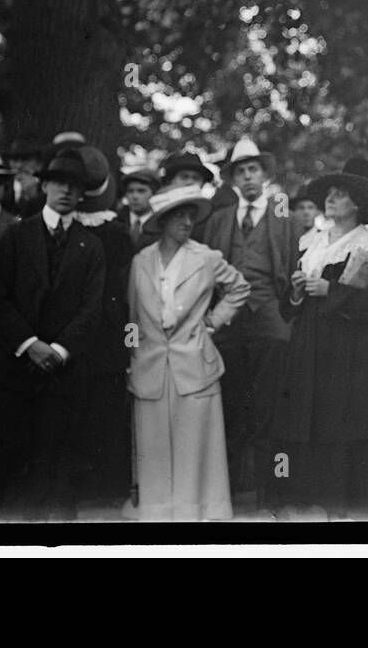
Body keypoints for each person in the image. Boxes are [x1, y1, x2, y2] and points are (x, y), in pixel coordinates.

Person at [0, 150, 105, 520]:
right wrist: (31, 345)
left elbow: (91, 309)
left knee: (53, 473)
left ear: (83, 194)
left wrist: (59, 350)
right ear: (45, 185)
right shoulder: (15, 235)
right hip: (10, 367)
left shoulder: (91, 245)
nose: (66, 190)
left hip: (61, 374)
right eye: (59, 182)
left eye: (75, 185)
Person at [275, 158, 368, 516]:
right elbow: (288, 302)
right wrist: (299, 291)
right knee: (307, 414)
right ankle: (309, 500)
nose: (331, 200)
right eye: (329, 195)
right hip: (307, 343)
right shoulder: (310, 243)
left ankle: (341, 503)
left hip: (344, 349)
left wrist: (328, 289)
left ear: (357, 205)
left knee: (336, 418)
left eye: (341, 195)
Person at [127, 184, 250, 521]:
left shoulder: (206, 257)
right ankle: (156, 515)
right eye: (178, 215)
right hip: (150, 365)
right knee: (153, 446)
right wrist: (133, 353)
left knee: (195, 444)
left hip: (195, 360)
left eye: (190, 215)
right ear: (162, 221)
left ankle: (197, 514)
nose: (186, 221)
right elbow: (133, 317)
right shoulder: (141, 261)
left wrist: (213, 321)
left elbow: (240, 287)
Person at [195, 136, 301, 507]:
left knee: (268, 409)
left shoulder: (283, 214)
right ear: (233, 179)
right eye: (240, 172)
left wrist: (283, 308)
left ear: (264, 174)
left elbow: (290, 264)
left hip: (269, 318)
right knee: (230, 406)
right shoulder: (219, 219)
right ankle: (228, 495)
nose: (248, 177)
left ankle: (268, 497)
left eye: (253, 169)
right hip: (227, 323)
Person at [71, 145, 137, 507]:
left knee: (105, 407)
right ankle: (78, 484)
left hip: (107, 329)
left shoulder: (115, 232)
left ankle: (106, 488)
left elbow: (124, 287)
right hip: (74, 327)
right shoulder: (62, 226)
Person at [119, 168, 160, 249]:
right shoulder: (117, 221)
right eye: (130, 191)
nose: (135, 196)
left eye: (141, 191)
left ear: (153, 194)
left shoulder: (160, 223)